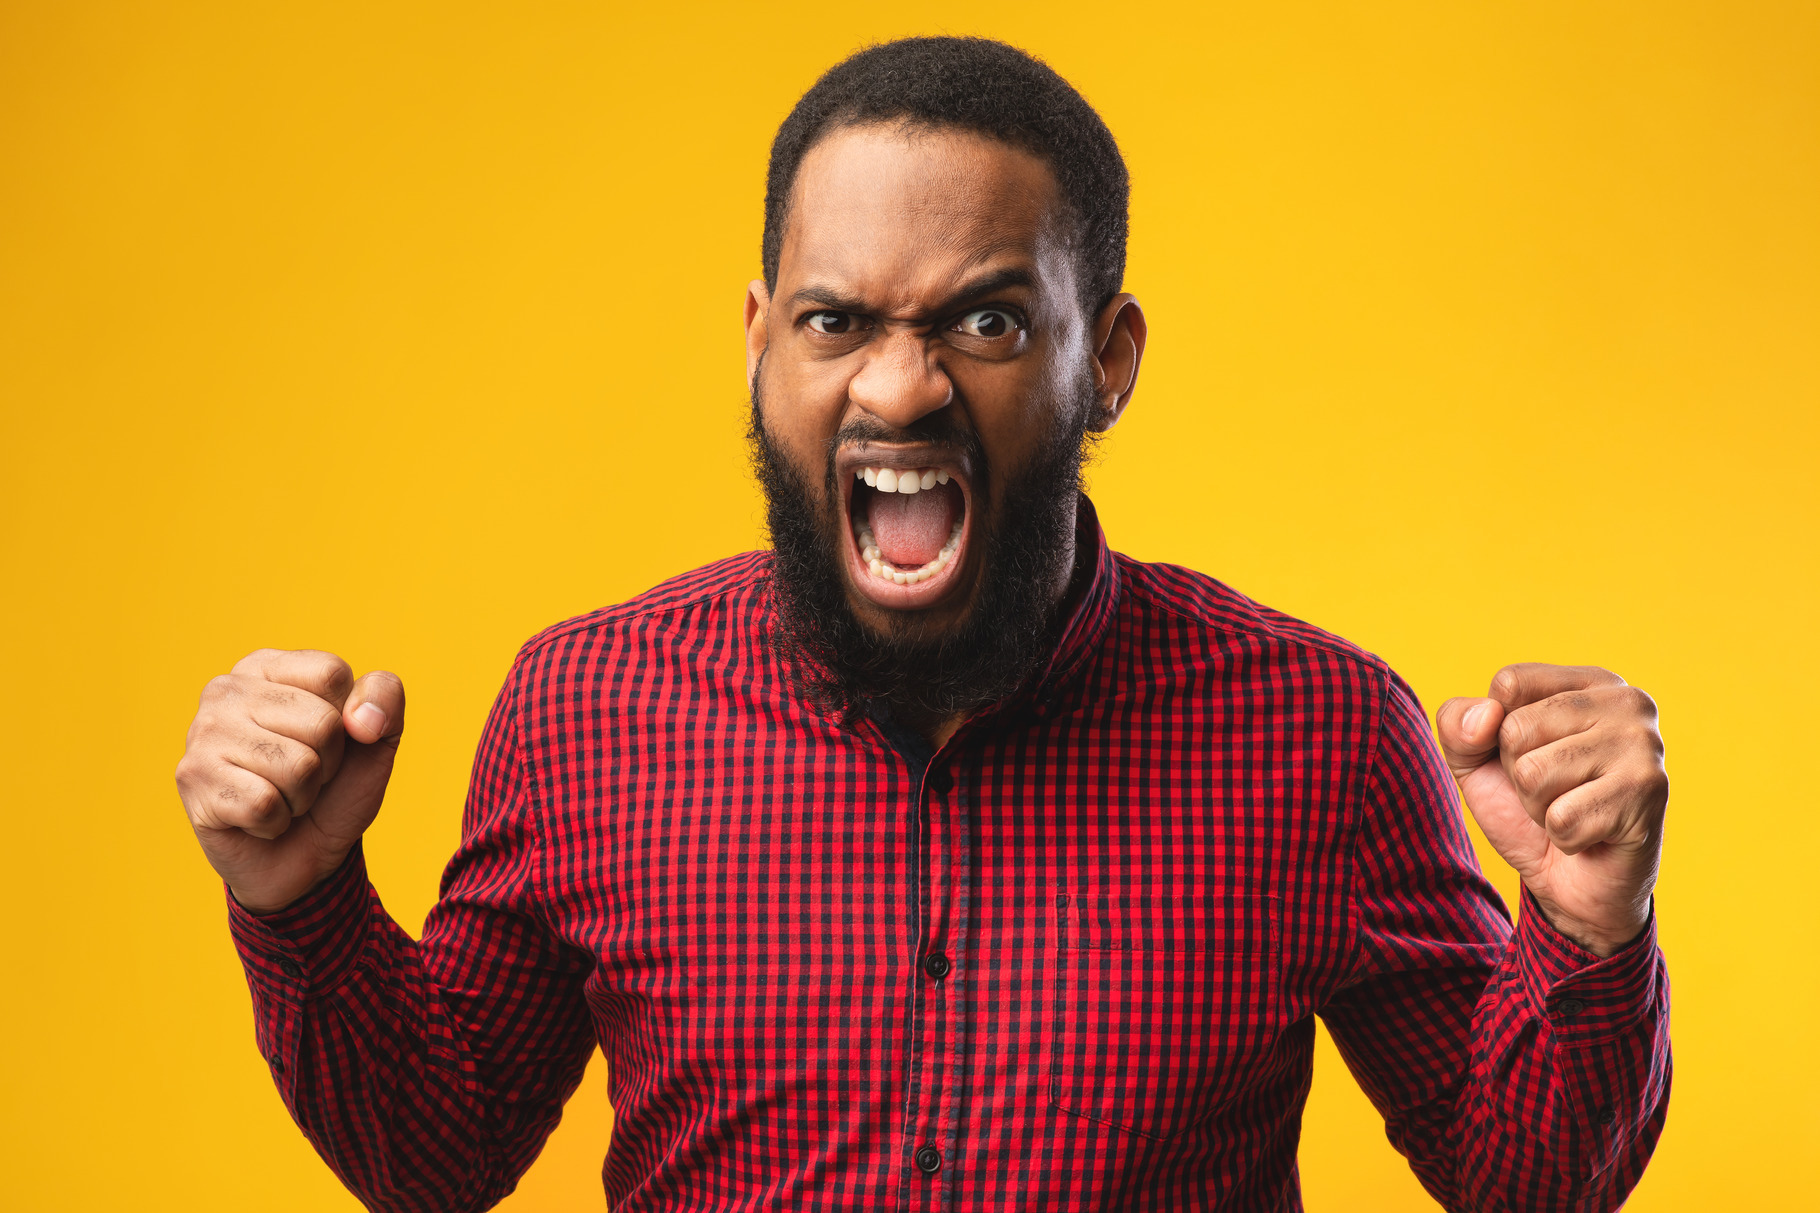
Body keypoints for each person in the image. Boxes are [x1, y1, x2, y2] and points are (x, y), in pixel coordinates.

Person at [174, 36, 1670, 1213]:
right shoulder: (585, 708)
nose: (899, 389)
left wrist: (1591, 924)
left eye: (988, 321)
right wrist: (300, 899)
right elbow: (436, 1157)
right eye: (838, 323)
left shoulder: (1320, 731)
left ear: (1111, 359)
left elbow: (1521, 1173)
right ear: (760, 343)